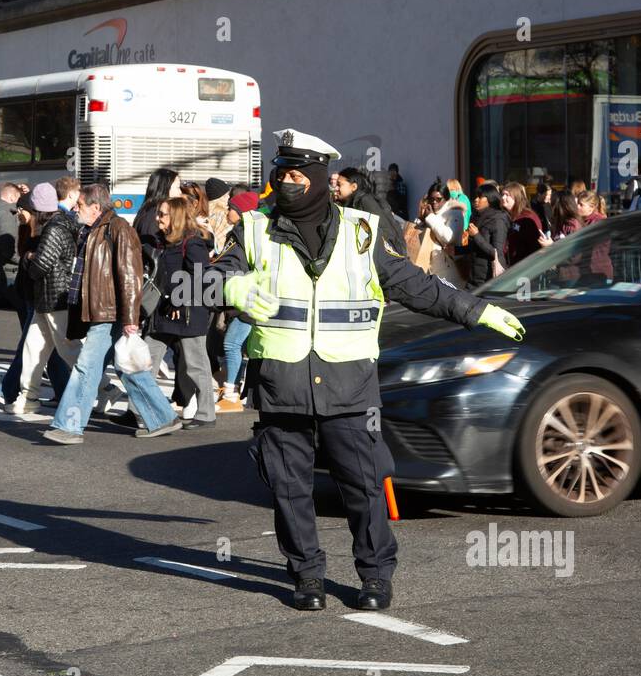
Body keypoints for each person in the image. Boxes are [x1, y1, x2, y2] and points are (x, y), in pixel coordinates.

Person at [209, 129, 525, 611]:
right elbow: (206, 280)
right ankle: (307, 576)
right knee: (289, 488)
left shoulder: (362, 232)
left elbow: (418, 286)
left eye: (298, 175)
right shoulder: (253, 228)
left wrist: (476, 311)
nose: (289, 183)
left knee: (363, 486)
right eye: (282, 174)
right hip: (282, 383)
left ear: (318, 177)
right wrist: (231, 288)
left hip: (348, 386)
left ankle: (375, 577)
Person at [43, 183, 182, 444]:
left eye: (80, 205)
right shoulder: (97, 229)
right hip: (106, 311)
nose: (76, 208)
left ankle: (69, 425)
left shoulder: (118, 229)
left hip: (111, 312)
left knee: (86, 367)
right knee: (126, 368)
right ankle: (162, 417)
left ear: (96, 207)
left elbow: (129, 277)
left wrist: (130, 319)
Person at [141, 197, 215, 429]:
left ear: (176, 217)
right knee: (146, 360)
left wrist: (177, 301)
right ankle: (139, 410)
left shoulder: (192, 242)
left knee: (196, 364)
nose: (157, 218)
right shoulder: (162, 242)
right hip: (163, 311)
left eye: (162, 214)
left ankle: (206, 413)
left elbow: (200, 277)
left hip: (189, 313)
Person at [9, 189, 83, 414]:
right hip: (49, 298)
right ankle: (28, 397)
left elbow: (42, 265)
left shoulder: (53, 229)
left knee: (68, 350)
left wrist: (29, 259)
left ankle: (103, 387)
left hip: (54, 297)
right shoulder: (63, 225)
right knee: (33, 350)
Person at [216, 192, 259, 414]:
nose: (227, 211)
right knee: (242, 347)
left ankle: (231, 394)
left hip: (246, 298)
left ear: (241, 213)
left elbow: (234, 264)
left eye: (231, 207)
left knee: (232, 344)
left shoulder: (240, 234)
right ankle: (233, 390)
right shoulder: (254, 231)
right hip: (254, 296)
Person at [331, 166, 407, 254]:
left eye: (340, 184)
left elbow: (386, 231)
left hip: (390, 255)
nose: (336, 188)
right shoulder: (355, 202)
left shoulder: (365, 201)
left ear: (354, 186)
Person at [466, 184, 509, 288]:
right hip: (474, 277)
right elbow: (474, 247)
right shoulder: (476, 217)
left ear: (490, 198)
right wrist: (455, 250)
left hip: (489, 278)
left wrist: (476, 235)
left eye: (480, 197)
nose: (476, 200)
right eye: (475, 196)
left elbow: (496, 253)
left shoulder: (498, 219)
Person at [133, 168, 182, 247]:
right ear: (165, 188)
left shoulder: (149, 210)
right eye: (177, 187)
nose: (180, 192)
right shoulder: (153, 215)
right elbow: (152, 247)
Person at [500, 181, 543, 267]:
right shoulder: (509, 216)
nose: (503, 197)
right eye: (502, 194)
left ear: (517, 197)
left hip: (526, 269)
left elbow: (535, 246)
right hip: (513, 267)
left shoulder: (528, 217)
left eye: (507, 195)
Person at [204, 178, 233, 252]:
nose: (228, 197)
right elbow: (221, 246)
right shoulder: (223, 215)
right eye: (226, 195)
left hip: (203, 256)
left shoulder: (204, 211)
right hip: (220, 259)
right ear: (220, 197)